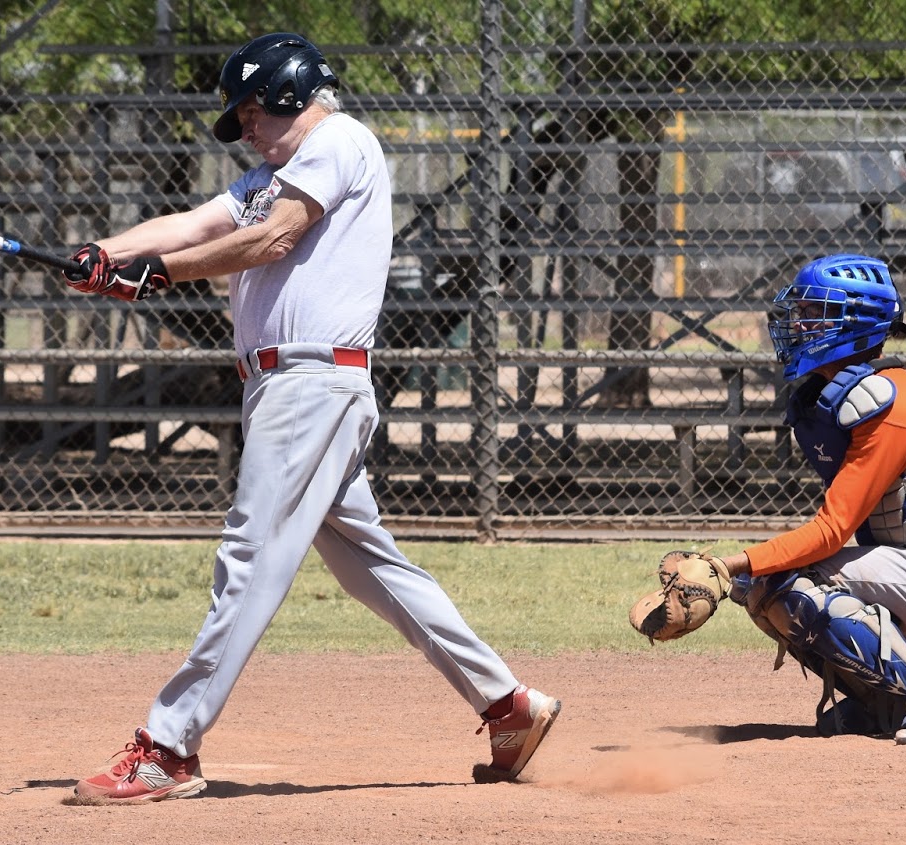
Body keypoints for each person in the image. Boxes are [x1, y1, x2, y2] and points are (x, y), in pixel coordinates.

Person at [59, 32, 559, 803]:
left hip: (309, 380)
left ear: (294, 92)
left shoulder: (337, 141)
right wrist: (103, 255)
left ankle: (169, 745)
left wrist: (153, 277)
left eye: (254, 112)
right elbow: (194, 224)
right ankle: (507, 702)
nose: (247, 129)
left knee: (250, 559)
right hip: (291, 387)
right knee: (374, 570)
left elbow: (271, 239)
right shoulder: (269, 174)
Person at [713, 254, 906, 742]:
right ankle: (882, 702)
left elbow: (832, 530)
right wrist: (747, 573)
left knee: (783, 582)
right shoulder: (838, 400)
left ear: (850, 323)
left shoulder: (893, 401)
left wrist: (728, 564)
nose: (799, 324)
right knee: (763, 586)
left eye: (815, 313)